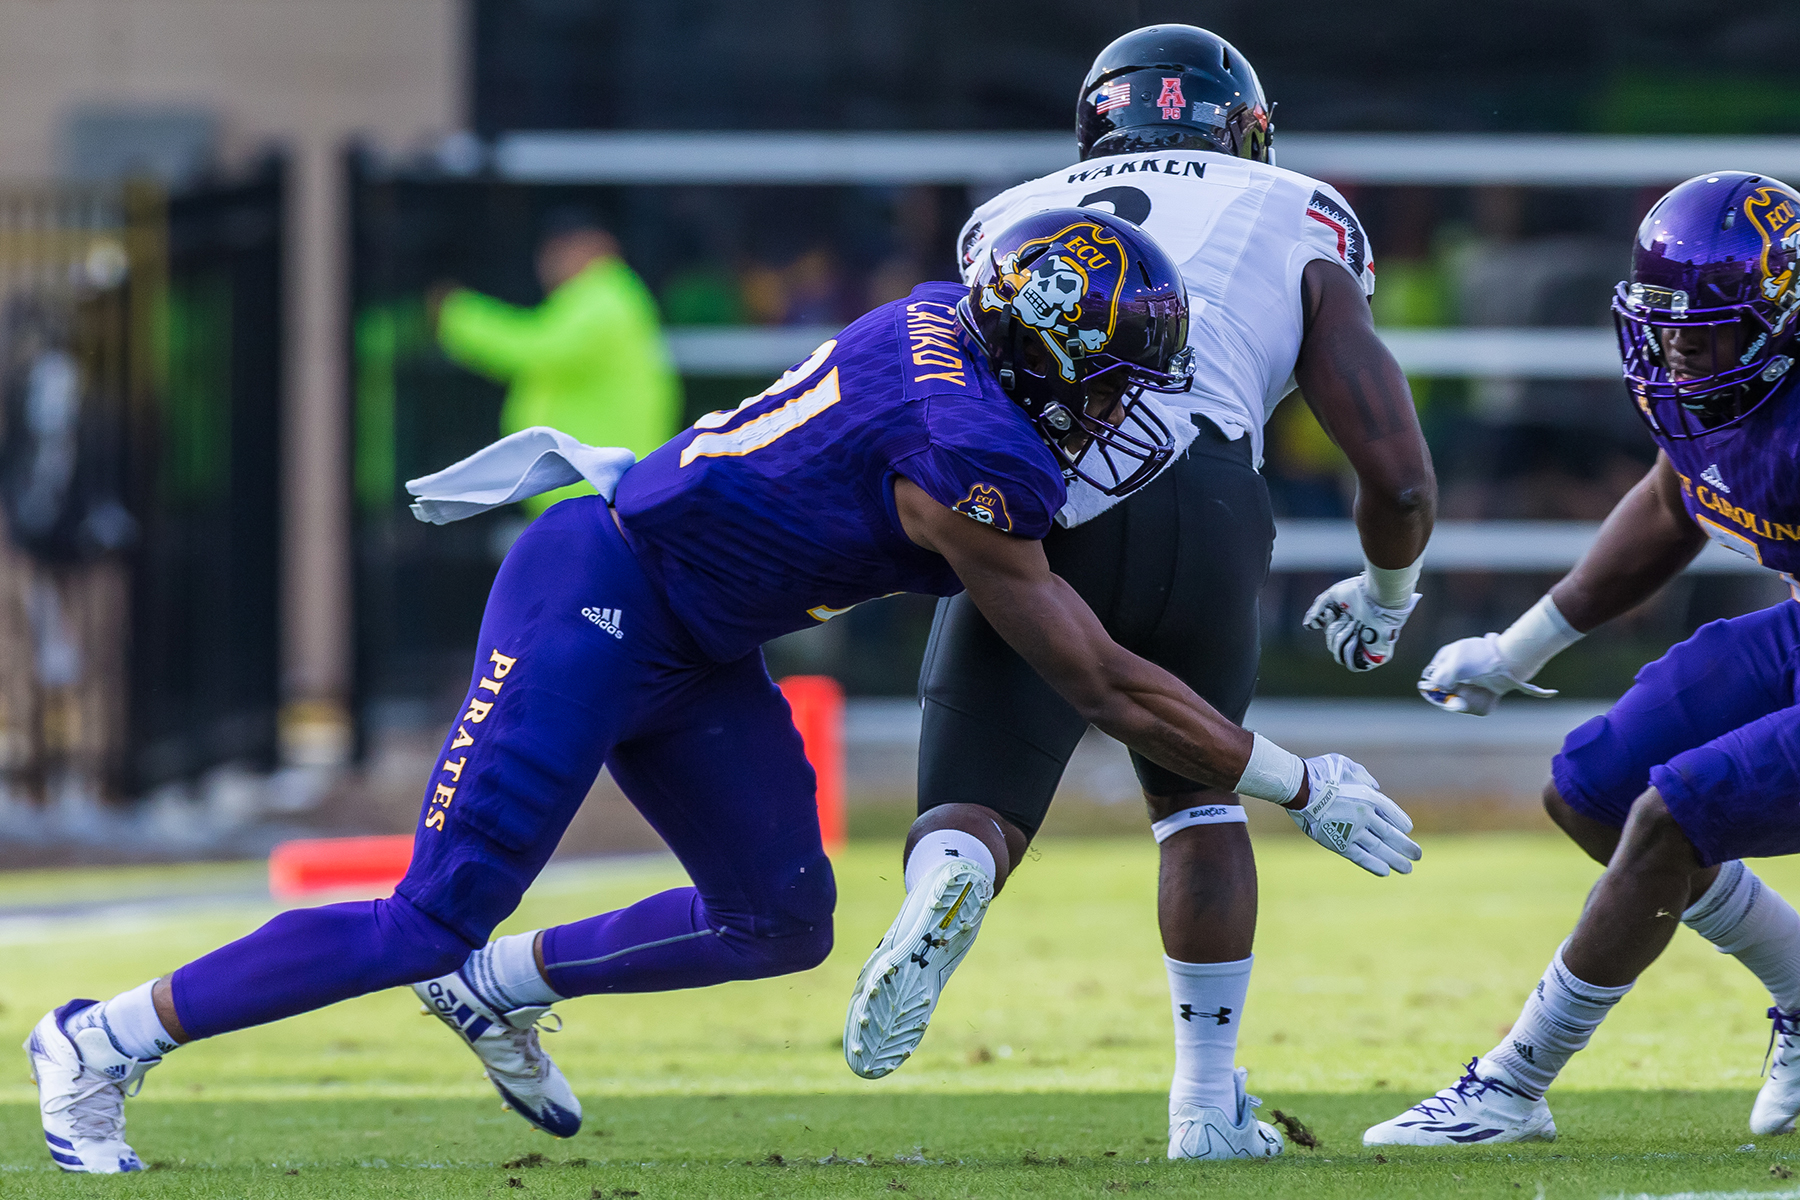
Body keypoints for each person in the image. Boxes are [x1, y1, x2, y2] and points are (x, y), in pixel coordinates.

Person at [23, 208, 1420, 1174]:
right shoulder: (972, 458)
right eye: (1110, 381)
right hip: (599, 596)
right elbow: (1102, 682)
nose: (1122, 407)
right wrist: (1295, 779)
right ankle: (103, 1038)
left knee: (781, 921)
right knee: (429, 912)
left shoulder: (941, 321)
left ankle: (498, 990)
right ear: (1048, 360)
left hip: (697, 631)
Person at [842, 24, 1436, 1162]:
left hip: (1033, 489)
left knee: (972, 796)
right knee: (1200, 792)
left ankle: (951, 877)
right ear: (1249, 128)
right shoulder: (1298, 205)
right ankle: (1205, 1108)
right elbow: (1396, 469)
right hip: (1206, 492)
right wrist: (1386, 589)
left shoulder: (1004, 214)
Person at [1364, 170, 1800, 1147]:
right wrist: (1519, 647)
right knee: (1591, 790)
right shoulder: (1721, 383)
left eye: (1707, 325)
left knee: (1672, 813)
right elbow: (1671, 499)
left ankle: (1512, 1084)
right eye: (1664, 321)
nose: (1679, 348)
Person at [434, 208, 682, 512]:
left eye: (559, 250)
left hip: (597, 490)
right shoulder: (600, 296)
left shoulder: (603, 298)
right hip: (595, 488)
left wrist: (456, 314)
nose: (548, 264)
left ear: (597, 245)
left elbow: (533, 350)